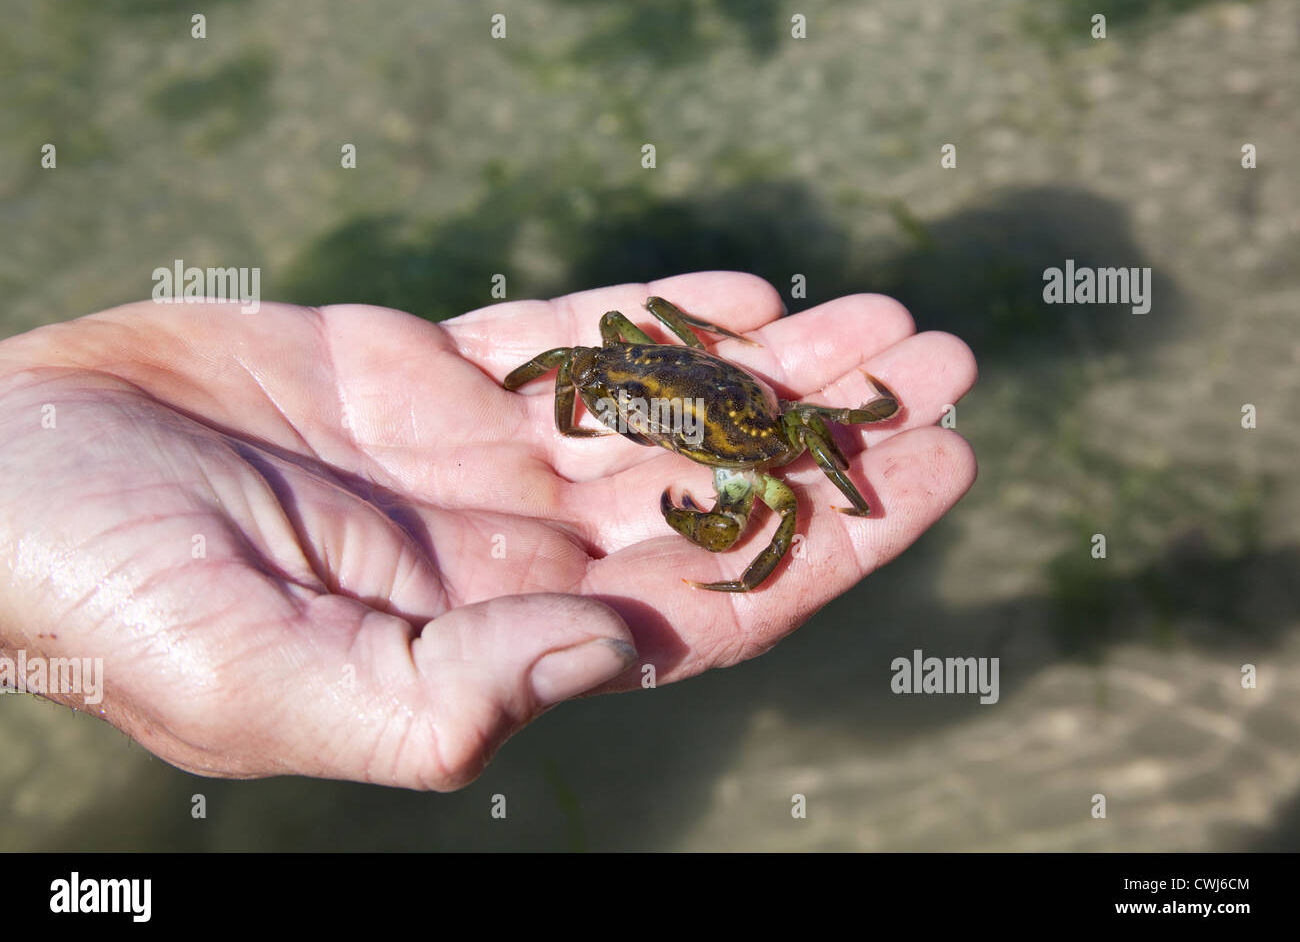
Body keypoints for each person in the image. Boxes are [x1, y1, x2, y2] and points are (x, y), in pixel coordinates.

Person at [0, 271, 976, 790]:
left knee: (790, 498)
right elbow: (588, 353)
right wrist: (529, 394)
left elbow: (806, 477)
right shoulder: (621, 363)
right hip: (690, 378)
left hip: (735, 411)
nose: (640, 428)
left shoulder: (772, 437)